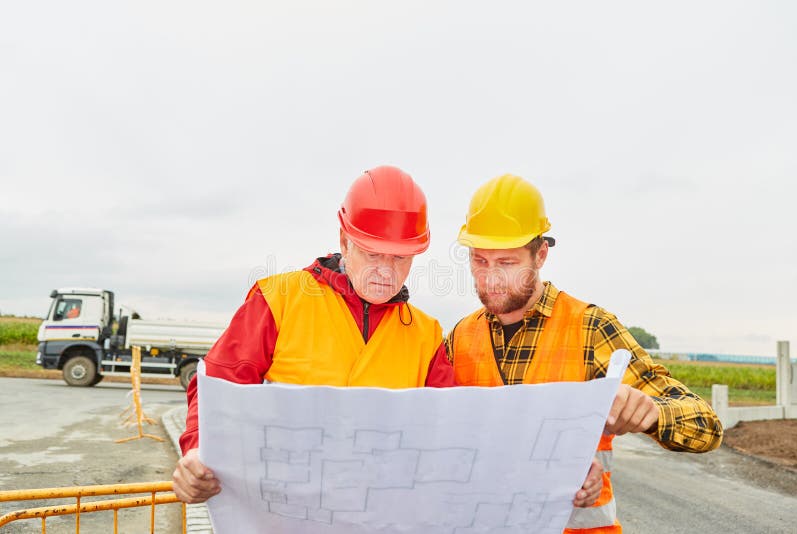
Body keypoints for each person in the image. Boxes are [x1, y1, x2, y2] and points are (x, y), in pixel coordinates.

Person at [446, 174, 723, 534]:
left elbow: (707, 426)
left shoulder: (591, 328)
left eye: (507, 263)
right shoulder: (459, 338)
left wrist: (653, 412)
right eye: (480, 261)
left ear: (541, 254)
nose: (491, 278)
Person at [172, 165, 457, 504]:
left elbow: (449, 427)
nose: (385, 270)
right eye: (372, 253)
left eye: (399, 258)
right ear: (344, 241)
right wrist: (198, 451)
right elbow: (217, 388)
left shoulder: (425, 335)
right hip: (284, 512)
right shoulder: (280, 300)